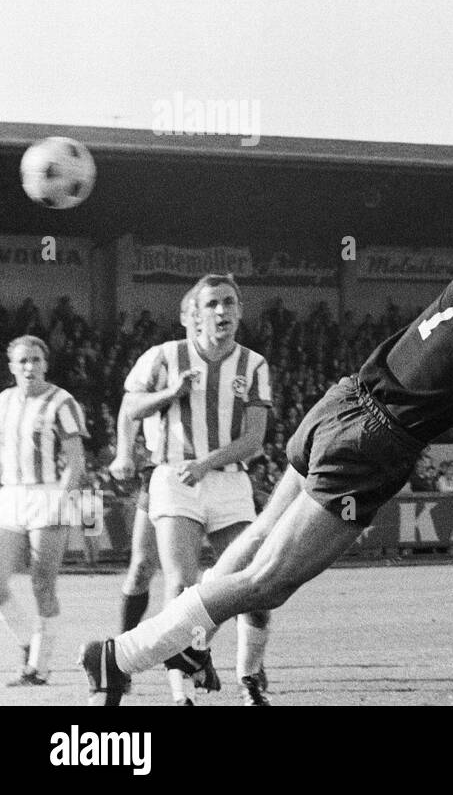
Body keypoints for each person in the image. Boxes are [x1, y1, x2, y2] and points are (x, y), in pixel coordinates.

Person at [80, 221, 453, 704]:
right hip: (371, 445)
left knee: (258, 540)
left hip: (337, 404)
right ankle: (122, 655)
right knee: (267, 583)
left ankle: (189, 643)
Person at [118, 275, 274, 706]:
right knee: (181, 583)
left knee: (255, 586)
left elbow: (255, 440)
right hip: (173, 479)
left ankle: (250, 675)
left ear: (240, 311)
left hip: (228, 481)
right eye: (212, 304)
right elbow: (129, 407)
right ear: (196, 313)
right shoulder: (164, 356)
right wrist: (171, 393)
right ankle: (181, 691)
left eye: (229, 303)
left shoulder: (254, 365)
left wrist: (206, 462)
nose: (221, 311)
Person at [108, 295, 196, 654]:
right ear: (185, 316)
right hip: (164, 473)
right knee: (143, 566)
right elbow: (130, 408)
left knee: (235, 574)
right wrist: (124, 452)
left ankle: (246, 664)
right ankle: (121, 653)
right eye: (196, 312)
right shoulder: (162, 357)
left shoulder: (242, 361)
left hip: (220, 476)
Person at [0, 336, 88, 686]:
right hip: (11, 496)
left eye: (36, 360)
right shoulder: (4, 401)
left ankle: (39, 666)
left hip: (47, 495)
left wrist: (62, 501)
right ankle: (27, 644)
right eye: (22, 361)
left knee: (41, 583)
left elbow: (76, 462)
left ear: (46, 364)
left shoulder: (61, 402)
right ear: (11, 366)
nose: (29, 367)